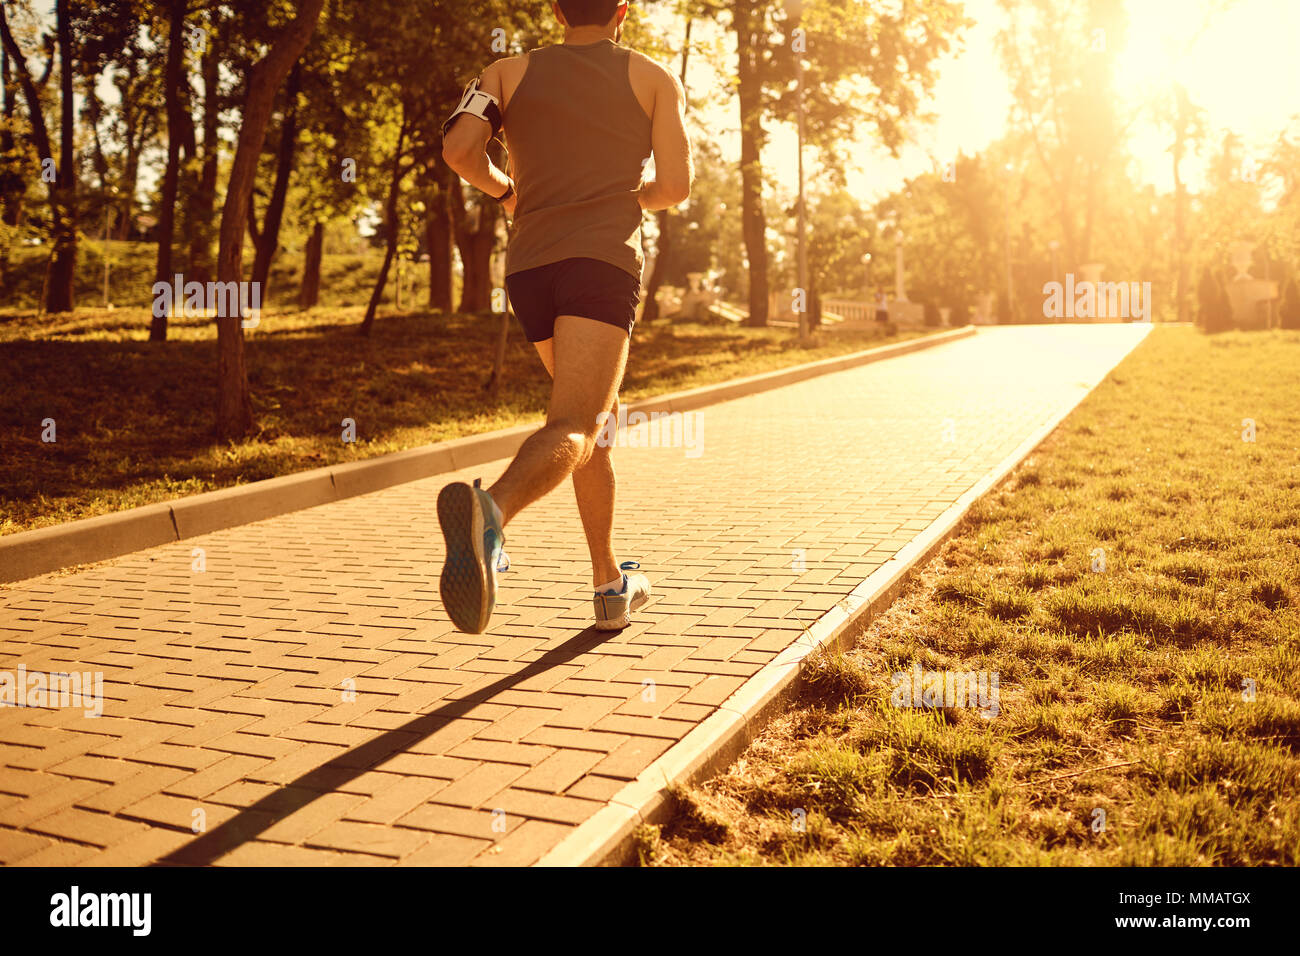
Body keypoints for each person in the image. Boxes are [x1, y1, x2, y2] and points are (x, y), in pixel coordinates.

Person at [438, 0, 693, 634]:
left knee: (591, 424)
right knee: (577, 421)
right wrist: (627, 196)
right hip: (599, 262)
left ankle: (610, 588)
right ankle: (489, 513)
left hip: (530, 268)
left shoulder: (506, 72)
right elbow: (676, 188)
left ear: (556, 11)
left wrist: (506, 191)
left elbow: (461, 150)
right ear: (622, 12)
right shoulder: (654, 78)